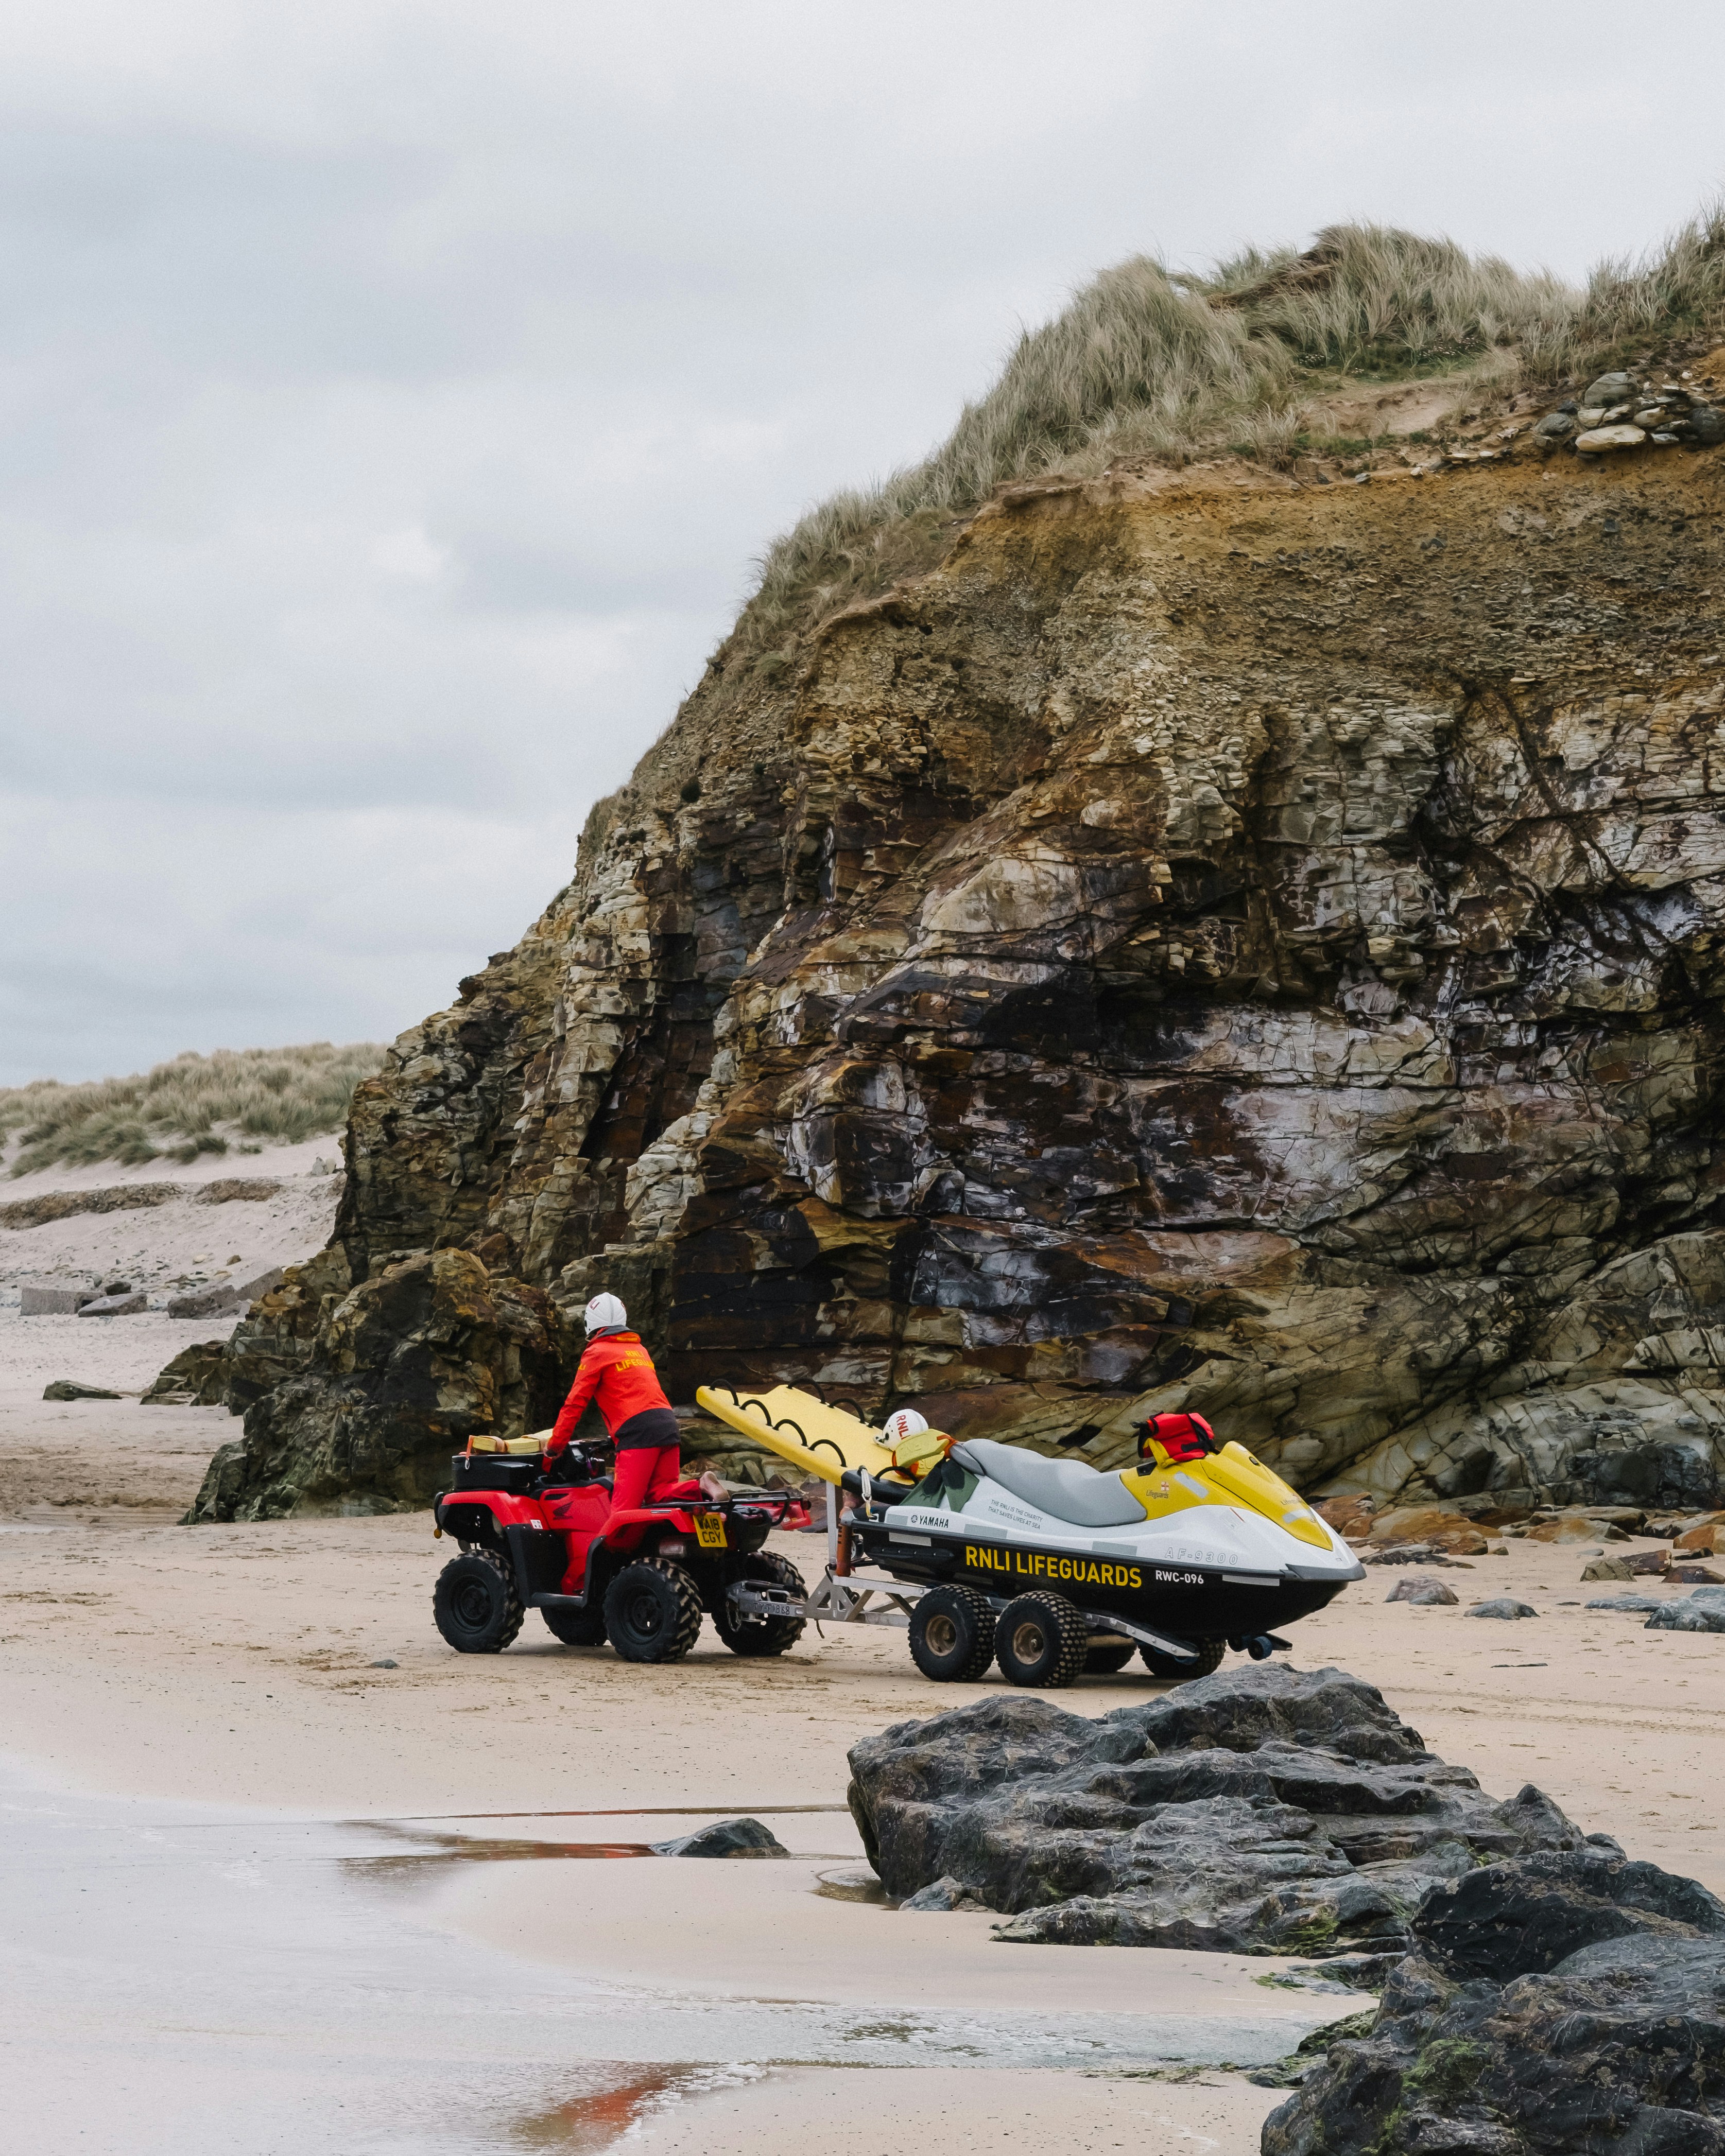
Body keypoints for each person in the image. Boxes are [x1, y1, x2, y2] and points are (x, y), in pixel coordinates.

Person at [546, 1293, 725, 1510]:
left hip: (638, 1433)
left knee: (622, 1515)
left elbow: (575, 1403)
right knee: (660, 1495)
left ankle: (614, 1545)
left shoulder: (597, 1351)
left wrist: (555, 1446)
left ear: (590, 1324)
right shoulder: (639, 1350)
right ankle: (700, 1487)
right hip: (667, 1425)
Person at [1138, 1410, 1217, 1466]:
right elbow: (1173, 1422)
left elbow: (1173, 1421)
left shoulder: (1195, 1421)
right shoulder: (1195, 1421)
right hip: (1199, 1455)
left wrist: (1149, 1425)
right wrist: (1150, 1425)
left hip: (1197, 1456)